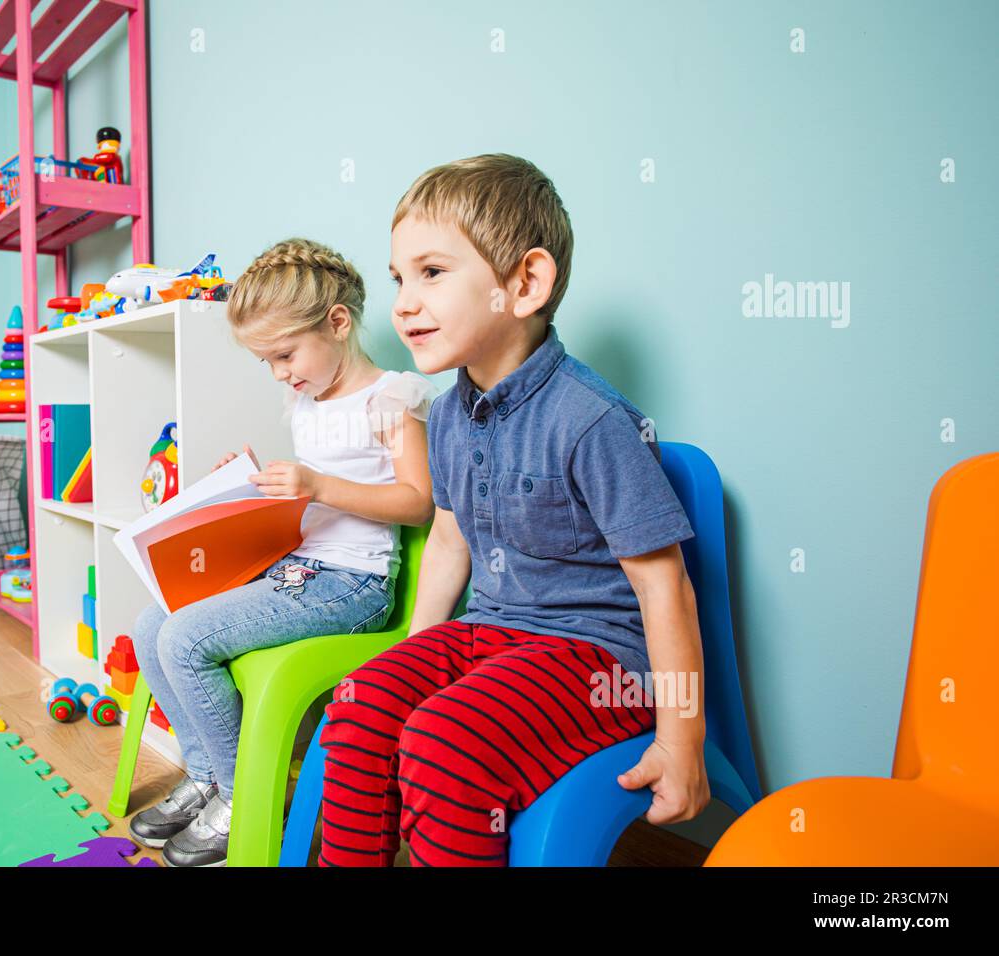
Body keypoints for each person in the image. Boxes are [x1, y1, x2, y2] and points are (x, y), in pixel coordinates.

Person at [317, 154, 711, 866]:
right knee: (358, 704)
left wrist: (681, 743)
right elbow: (447, 541)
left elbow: (665, 586)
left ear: (523, 284)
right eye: (399, 278)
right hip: (491, 633)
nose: (403, 302)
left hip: (598, 660)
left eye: (432, 272)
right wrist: (410, 658)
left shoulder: (591, 420)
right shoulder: (444, 418)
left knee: (443, 743)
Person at [128, 237, 437, 866]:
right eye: (266, 361)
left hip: (353, 585)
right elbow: (304, 497)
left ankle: (242, 798)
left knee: (186, 640)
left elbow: (419, 502)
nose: (279, 373)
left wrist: (318, 485)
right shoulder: (304, 400)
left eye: (285, 354)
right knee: (151, 622)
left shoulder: (388, 400)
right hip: (297, 568)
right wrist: (251, 481)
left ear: (339, 323)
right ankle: (209, 774)